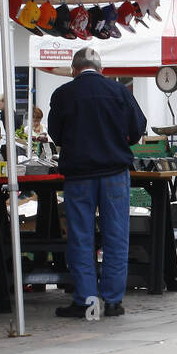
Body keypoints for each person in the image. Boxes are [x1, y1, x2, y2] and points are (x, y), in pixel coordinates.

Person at [48, 47, 146, 319]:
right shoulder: (120, 91)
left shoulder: (63, 94)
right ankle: (113, 301)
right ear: (101, 70)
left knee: (81, 237)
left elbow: (55, 133)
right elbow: (137, 128)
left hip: (79, 175)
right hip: (114, 173)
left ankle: (87, 301)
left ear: (73, 69)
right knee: (116, 236)